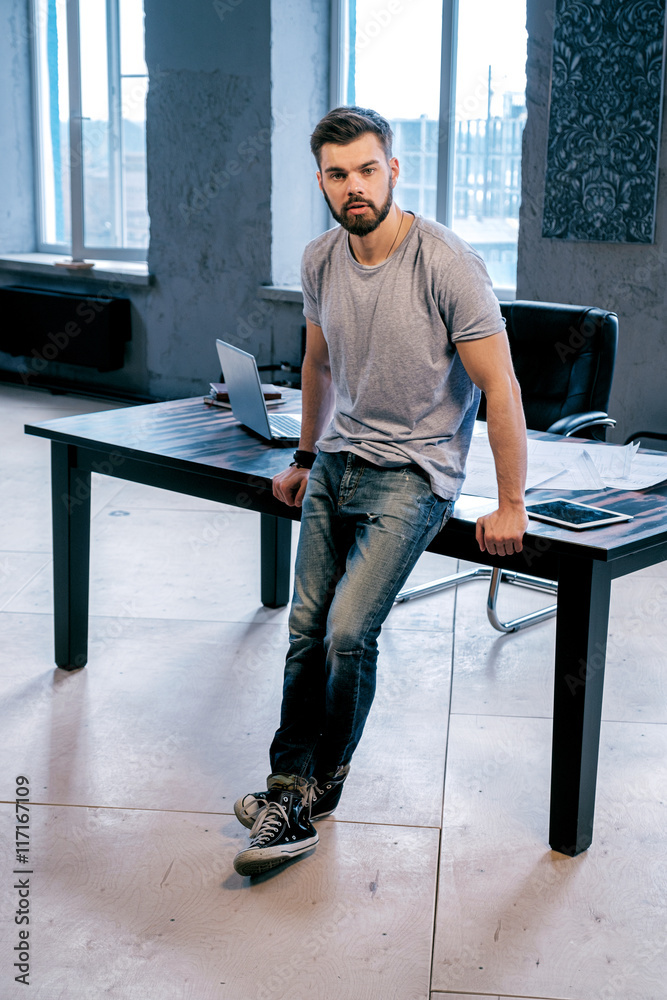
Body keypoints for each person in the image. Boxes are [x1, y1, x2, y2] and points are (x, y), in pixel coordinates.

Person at [232, 106, 528, 877]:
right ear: (322, 181)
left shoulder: (446, 264)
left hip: (415, 470)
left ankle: (315, 789)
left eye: (367, 170)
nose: (353, 187)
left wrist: (510, 503)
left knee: (345, 630)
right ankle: (286, 789)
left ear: (393, 170)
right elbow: (318, 366)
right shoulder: (320, 259)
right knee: (303, 627)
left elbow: (501, 389)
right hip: (336, 460)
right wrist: (301, 454)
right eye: (337, 174)